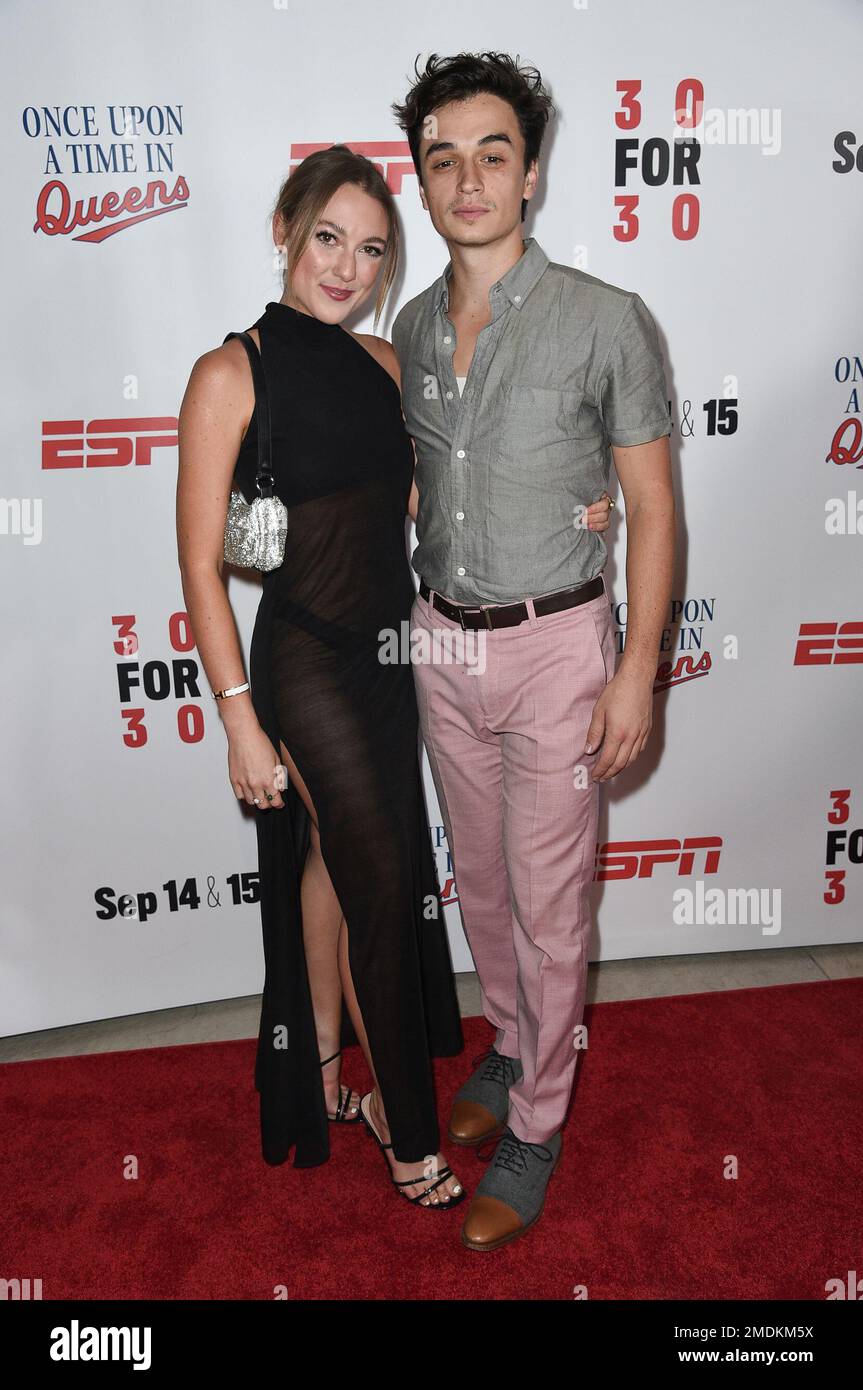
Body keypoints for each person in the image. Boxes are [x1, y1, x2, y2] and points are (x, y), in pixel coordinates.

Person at [176, 142, 619, 1211]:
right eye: (327, 238)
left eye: (370, 250)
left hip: (391, 657)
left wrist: (576, 505)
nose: (346, 267)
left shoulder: (382, 365)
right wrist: (237, 719)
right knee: (382, 880)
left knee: (334, 858)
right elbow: (200, 560)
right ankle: (402, 1125)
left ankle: (325, 1064)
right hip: (303, 662)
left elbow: (437, 500)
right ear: (283, 230)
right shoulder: (228, 371)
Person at [391, 54, 676, 1248]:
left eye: (491, 153)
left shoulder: (606, 318)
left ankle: (538, 1125)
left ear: (532, 172)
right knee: (490, 884)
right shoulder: (406, 326)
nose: (467, 177)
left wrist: (635, 670)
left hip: (561, 646)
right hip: (440, 647)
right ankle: (508, 1047)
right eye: (443, 156)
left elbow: (651, 510)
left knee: (554, 906)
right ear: (421, 177)